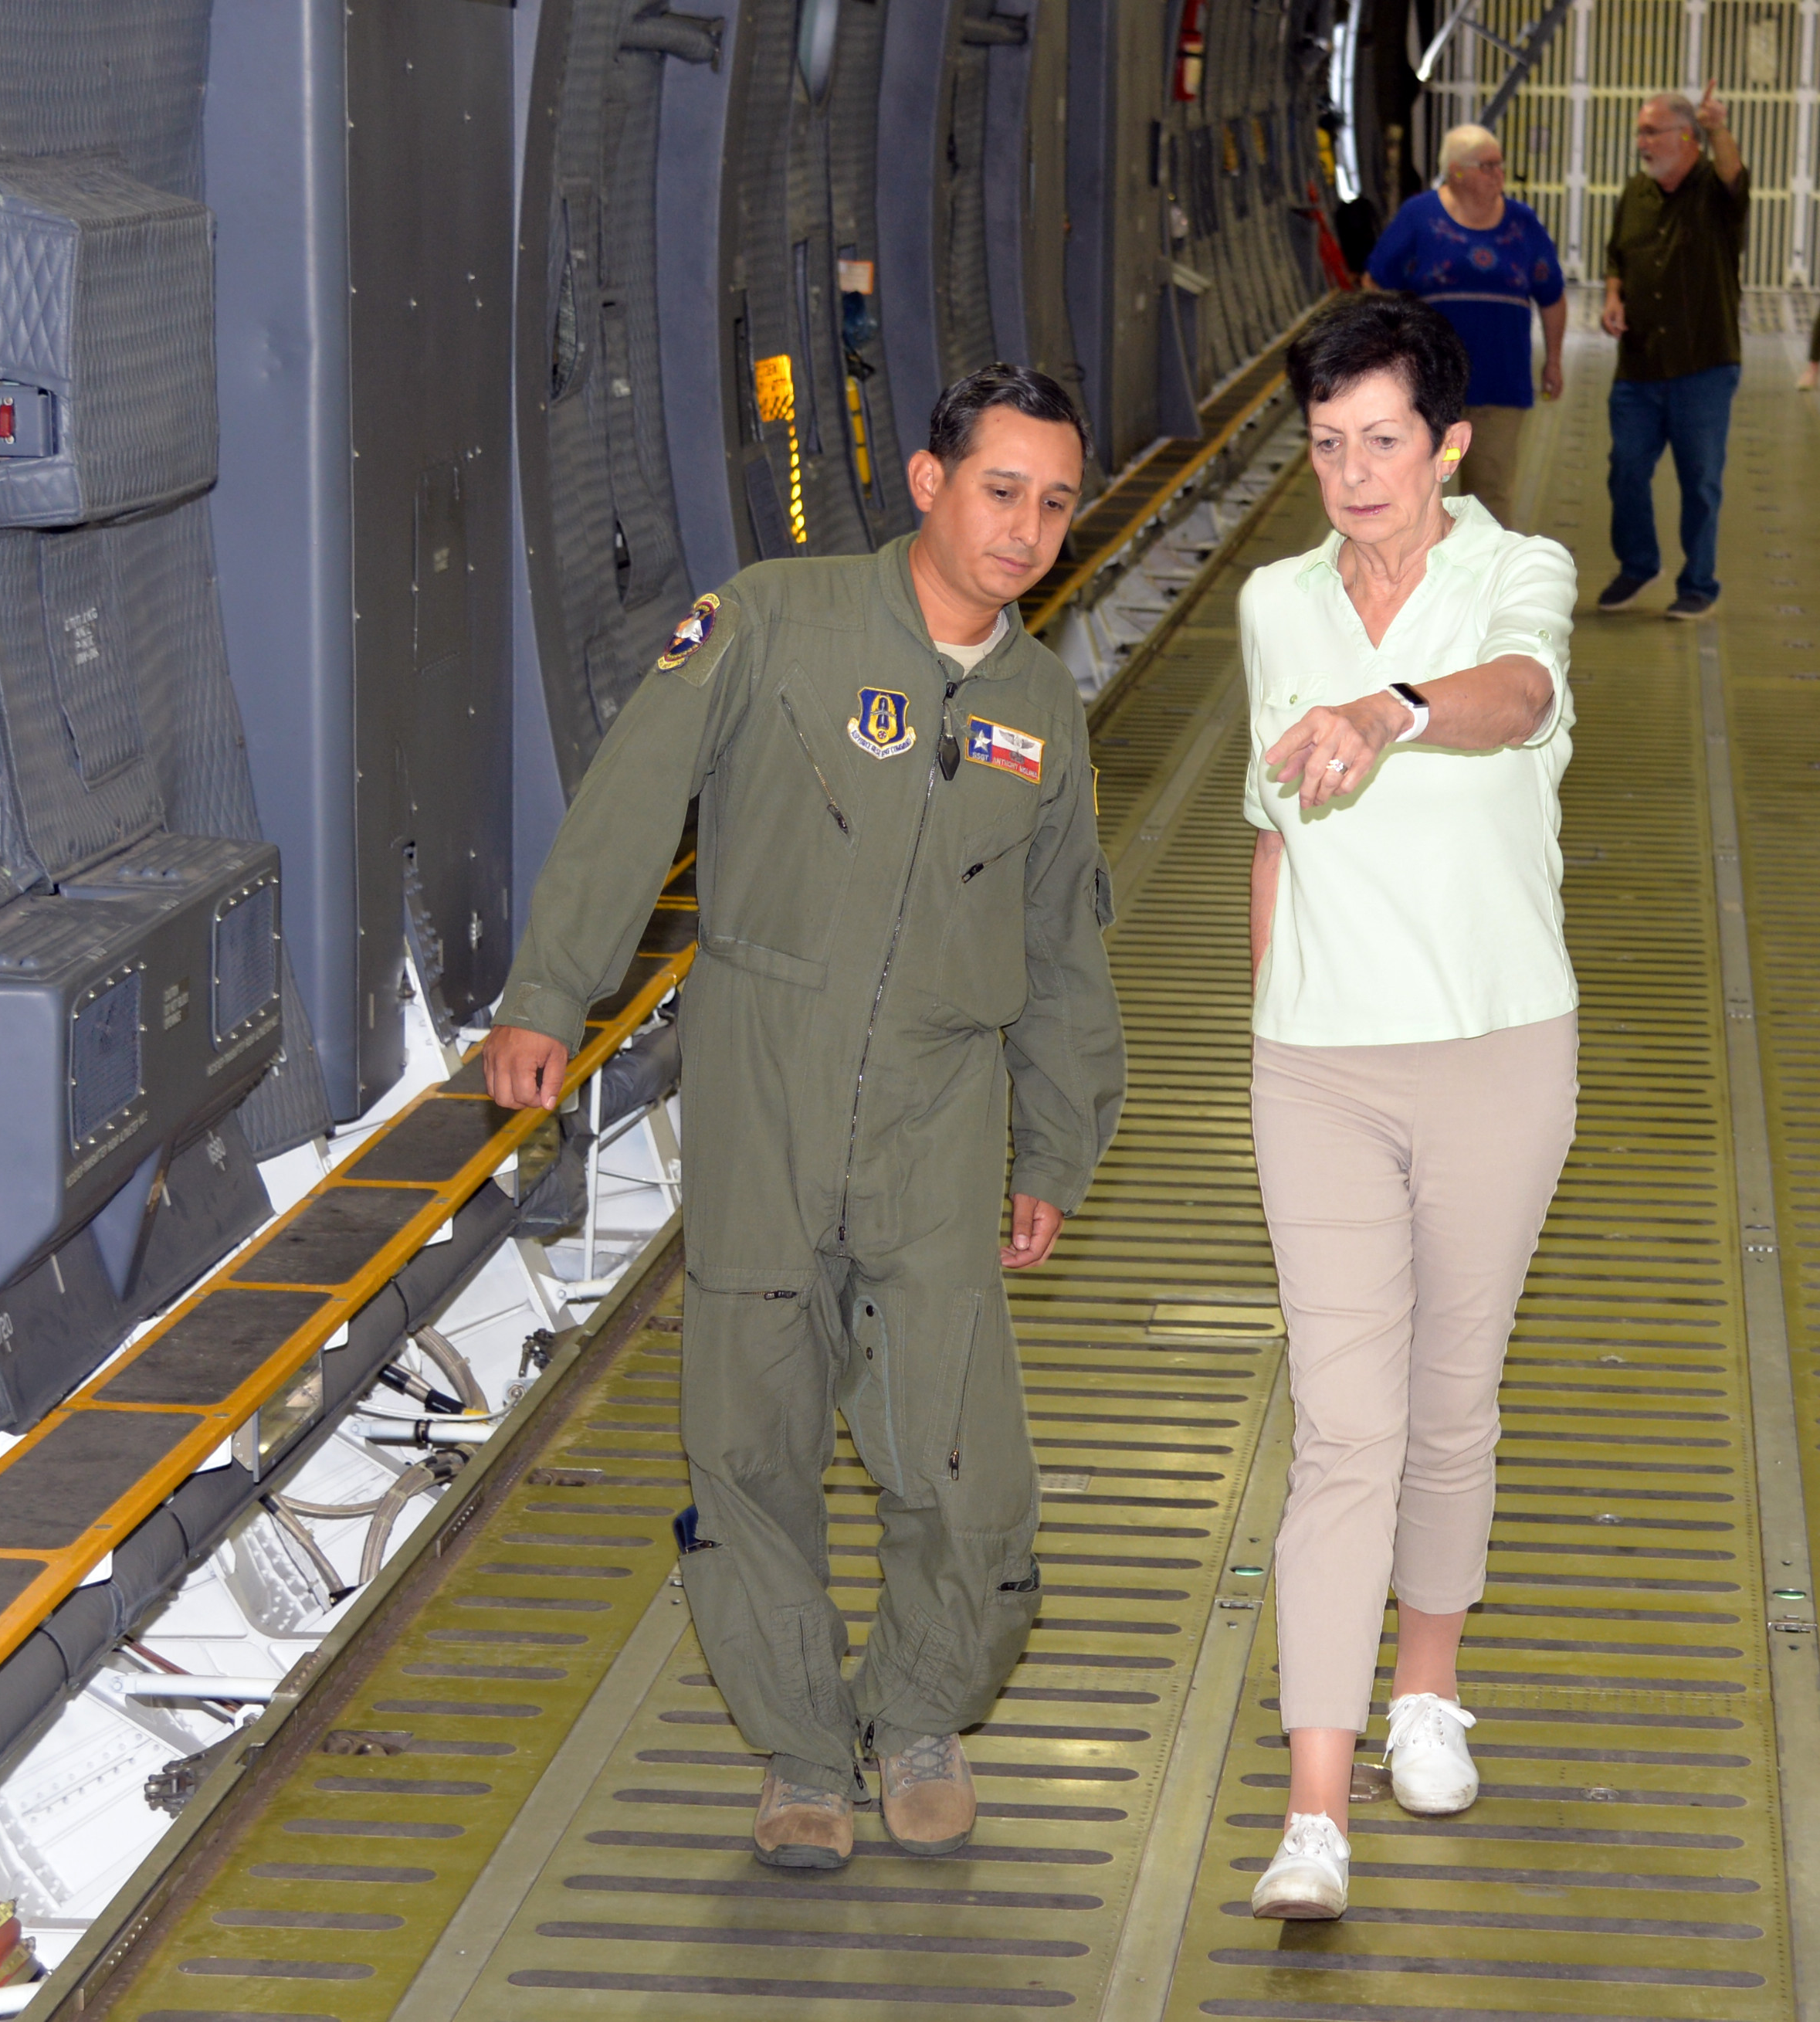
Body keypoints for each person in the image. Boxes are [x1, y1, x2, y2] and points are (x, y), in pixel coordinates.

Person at [482, 365, 1126, 1871]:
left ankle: (915, 1715)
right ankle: (795, 1754)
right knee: (749, 1443)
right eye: (998, 489)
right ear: (925, 480)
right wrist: (548, 991)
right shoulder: (769, 624)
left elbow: (1062, 942)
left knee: (963, 1465)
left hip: (940, 1112)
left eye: (1052, 501)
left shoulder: (1040, 708)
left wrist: (1057, 1141)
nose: (1025, 528)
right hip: (767, 1084)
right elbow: (635, 795)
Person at [1239, 291, 1578, 1921]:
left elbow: (1514, 695)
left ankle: (1427, 1688)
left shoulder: (1517, 572)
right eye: (1324, 445)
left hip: (1500, 1044)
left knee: (1451, 1400)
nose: (1354, 476)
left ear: (1445, 440)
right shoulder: (1271, 604)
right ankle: (1317, 1805)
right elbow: (1267, 829)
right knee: (1343, 1427)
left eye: (1382, 442)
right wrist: (1266, 1021)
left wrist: (1393, 708)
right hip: (1319, 1061)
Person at [1363, 123, 1565, 529]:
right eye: (1486, 166)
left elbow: (1552, 294)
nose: (1498, 174)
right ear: (1456, 171)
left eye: (1499, 165)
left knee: (1489, 495)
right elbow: (1376, 283)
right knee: (1416, 490)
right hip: (1427, 388)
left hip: (1500, 386)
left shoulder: (1522, 223)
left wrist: (1554, 361)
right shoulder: (1419, 217)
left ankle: (1486, 586)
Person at [1598, 86, 1748, 619]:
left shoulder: (1714, 190)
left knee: (1699, 480)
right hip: (1638, 364)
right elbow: (1617, 255)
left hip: (1702, 366)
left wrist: (1719, 128)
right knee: (1625, 469)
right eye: (1639, 131)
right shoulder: (1635, 192)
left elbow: (1733, 173)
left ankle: (1698, 583)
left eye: (1650, 131)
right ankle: (1638, 565)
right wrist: (1613, 295)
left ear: (1687, 136)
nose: (1641, 141)